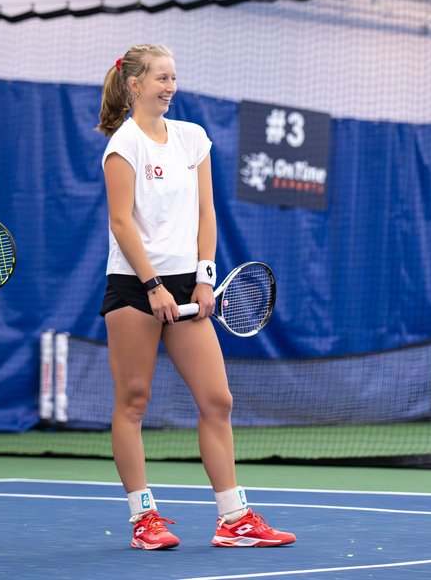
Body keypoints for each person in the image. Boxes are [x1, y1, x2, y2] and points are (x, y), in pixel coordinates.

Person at [96, 44, 295, 550]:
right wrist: (152, 286)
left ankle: (234, 520)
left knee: (217, 400)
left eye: (174, 78)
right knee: (133, 402)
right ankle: (144, 520)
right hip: (134, 287)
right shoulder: (123, 146)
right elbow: (121, 223)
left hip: (189, 284)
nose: (170, 87)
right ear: (135, 84)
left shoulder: (192, 138)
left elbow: (208, 212)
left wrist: (205, 278)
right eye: (161, 78)